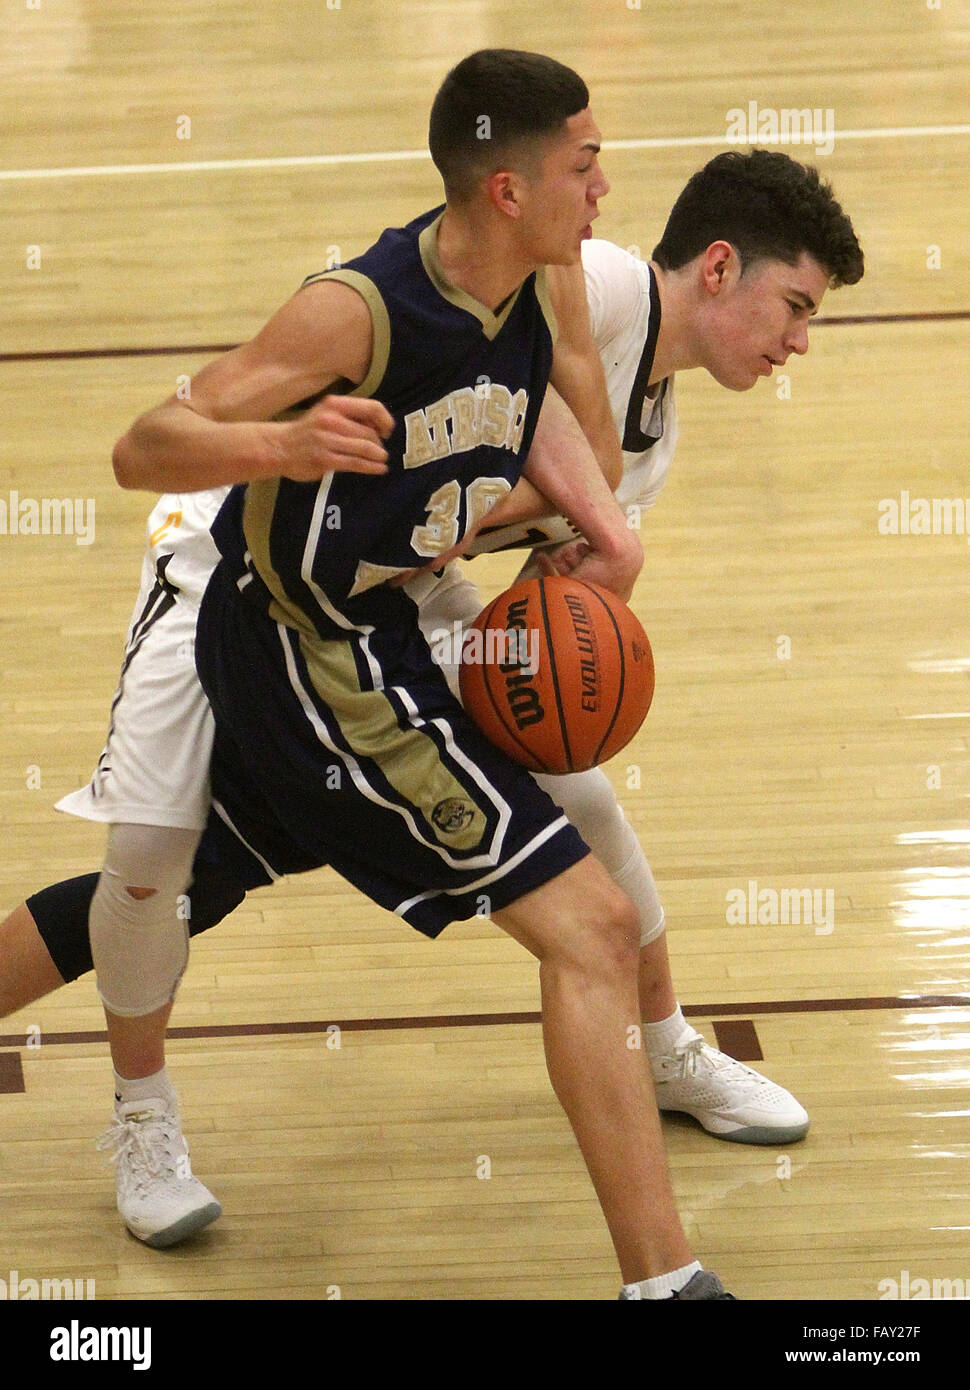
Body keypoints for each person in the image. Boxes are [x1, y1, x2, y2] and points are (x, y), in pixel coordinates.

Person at [2, 136, 862, 1296]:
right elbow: (479, 362)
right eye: (795, 307)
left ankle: (665, 1050)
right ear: (717, 269)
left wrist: (564, 635)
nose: (798, 341)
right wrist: (576, 518)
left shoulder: (657, 436)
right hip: (238, 550)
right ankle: (143, 1112)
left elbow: (527, 592)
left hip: (394, 587)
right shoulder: (593, 285)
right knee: (159, 854)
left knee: (573, 805)